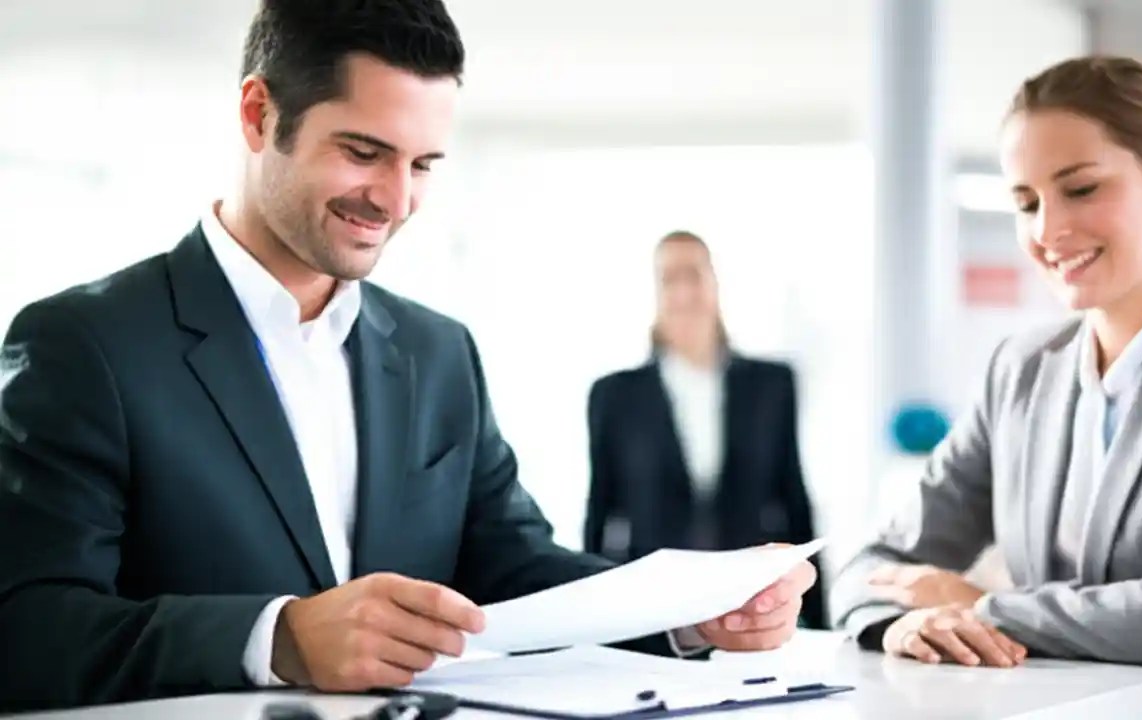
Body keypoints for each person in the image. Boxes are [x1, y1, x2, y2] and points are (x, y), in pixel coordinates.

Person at [0, 1, 815, 712]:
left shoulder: (436, 351)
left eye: (422, 164)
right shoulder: (86, 344)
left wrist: (683, 612)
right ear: (257, 116)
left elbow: (509, 565)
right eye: (362, 152)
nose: (394, 202)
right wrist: (277, 638)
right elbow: (27, 630)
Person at [831, 55, 1142, 718]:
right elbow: (871, 565)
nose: (1046, 230)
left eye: (1081, 189)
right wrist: (899, 623)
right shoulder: (1022, 370)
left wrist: (982, 609)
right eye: (1025, 202)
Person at [584, 231, 827, 629]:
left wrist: (818, 621)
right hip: (652, 610)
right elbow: (600, 515)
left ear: (715, 282)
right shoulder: (615, 396)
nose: (684, 291)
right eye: (669, 278)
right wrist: (592, 620)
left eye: (694, 274)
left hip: (751, 605)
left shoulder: (772, 386)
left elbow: (795, 501)